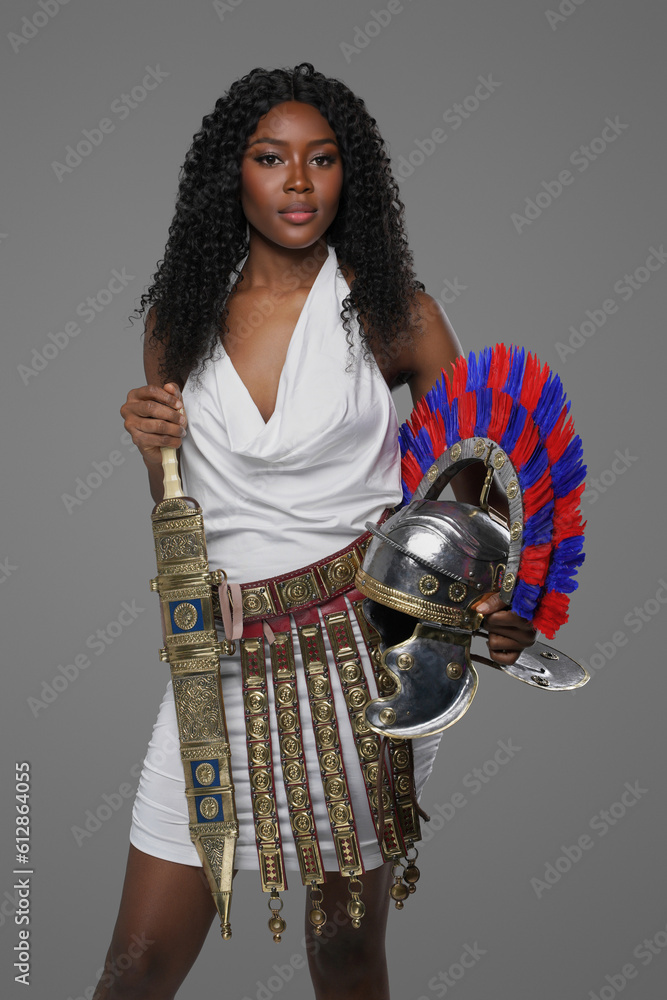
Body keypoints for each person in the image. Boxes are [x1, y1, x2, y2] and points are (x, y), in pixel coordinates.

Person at [94, 63, 536, 1000]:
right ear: (234, 176)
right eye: (271, 158)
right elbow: (182, 518)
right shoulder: (179, 323)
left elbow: (472, 494)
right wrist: (149, 450)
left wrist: (492, 607)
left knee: (342, 957)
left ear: (350, 177)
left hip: (353, 662)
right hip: (218, 661)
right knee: (135, 967)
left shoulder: (394, 316)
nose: (298, 183)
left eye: (321, 160)